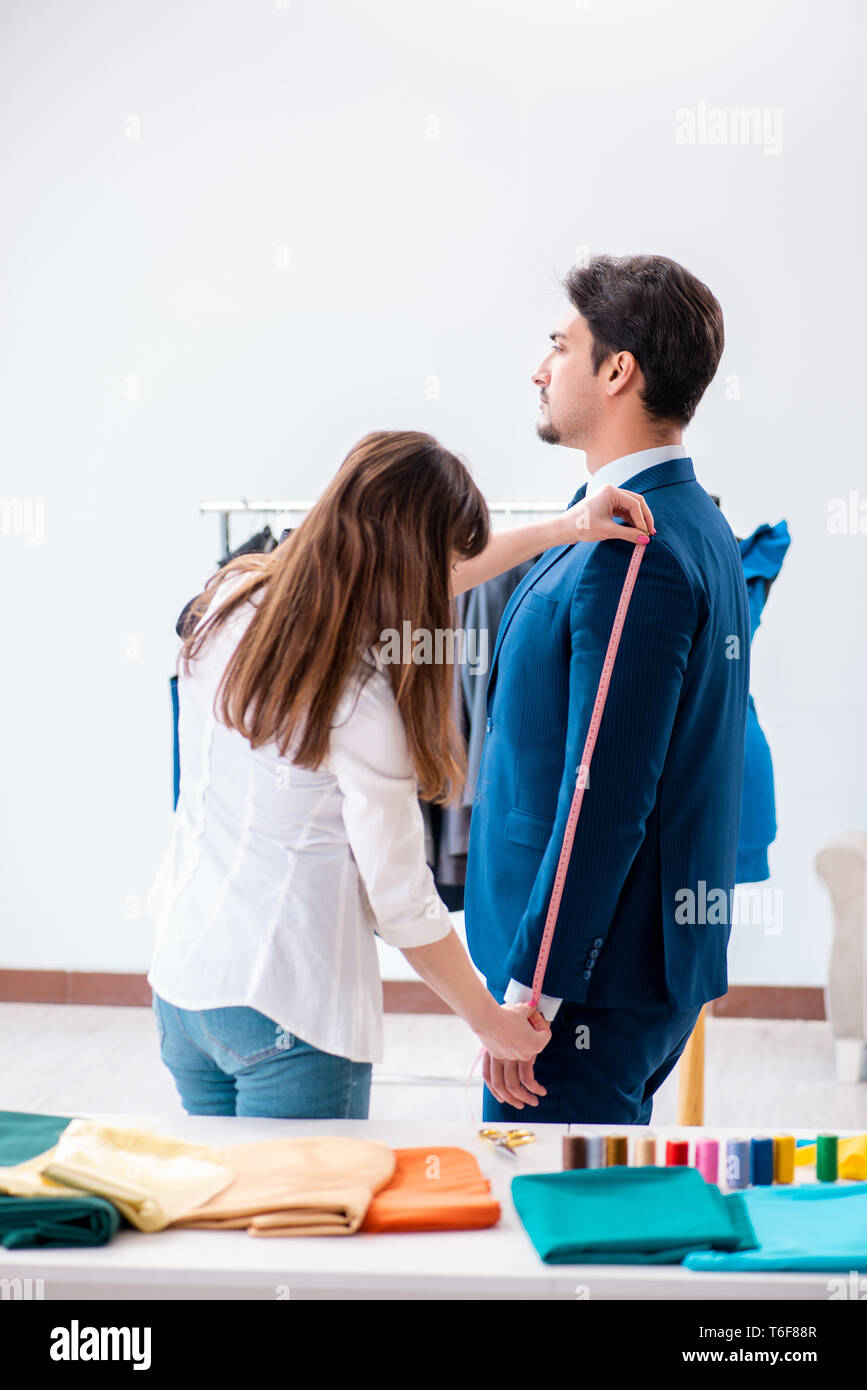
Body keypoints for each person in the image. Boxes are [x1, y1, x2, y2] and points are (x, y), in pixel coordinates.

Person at [146, 428, 652, 1118]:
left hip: (184, 989)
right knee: (306, 1220)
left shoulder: (227, 601)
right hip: (287, 1010)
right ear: (407, 560)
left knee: (227, 1217)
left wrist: (568, 527)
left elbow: (436, 580)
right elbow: (402, 901)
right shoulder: (356, 695)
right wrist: (488, 1020)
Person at [464, 253, 752, 1123]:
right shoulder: (688, 522)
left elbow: (604, 788)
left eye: (560, 345)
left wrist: (533, 993)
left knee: (550, 1236)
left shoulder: (636, 546)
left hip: (582, 981)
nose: (539, 369)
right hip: (635, 964)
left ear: (617, 370)